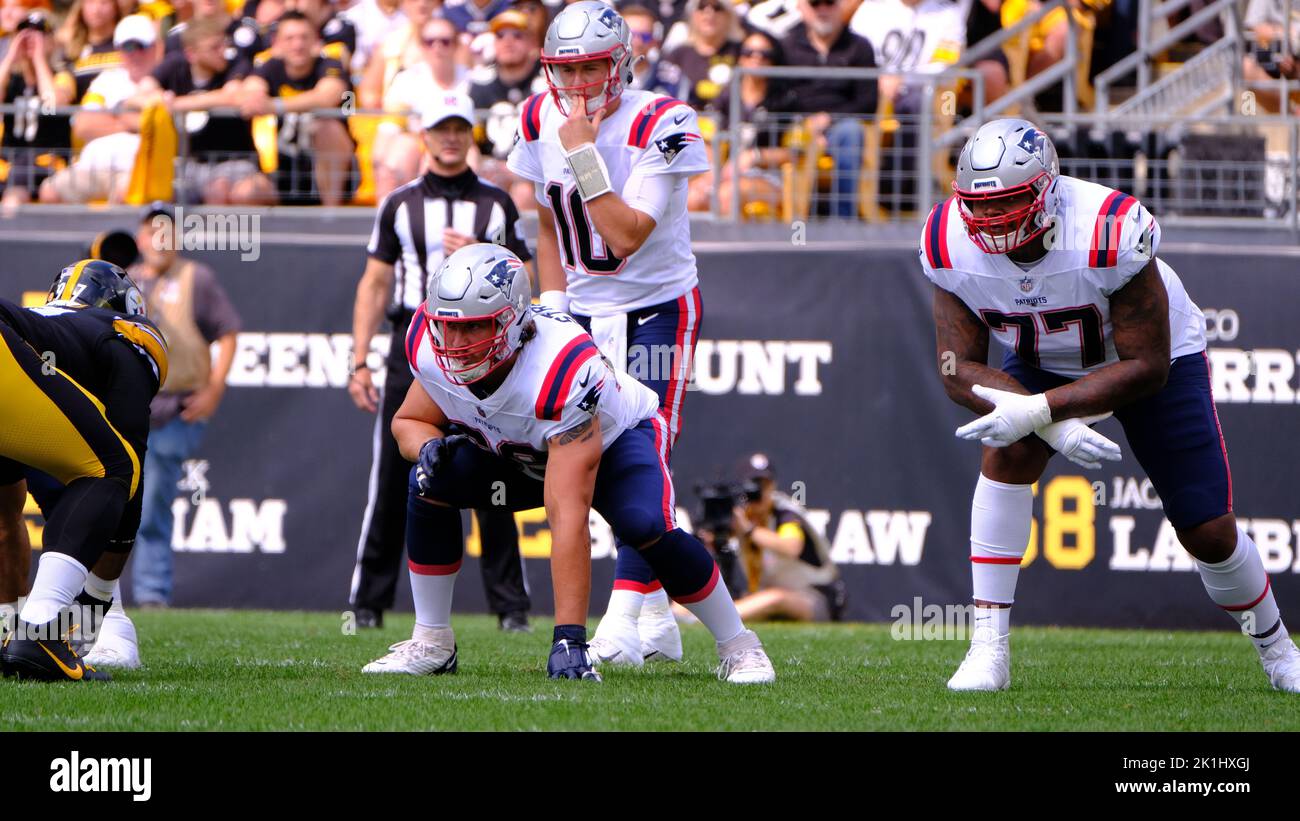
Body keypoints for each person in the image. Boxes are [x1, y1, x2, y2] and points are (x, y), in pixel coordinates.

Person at [921, 118, 1300, 693]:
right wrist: (1049, 424)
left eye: (1009, 204)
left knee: (1207, 528)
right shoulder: (947, 238)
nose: (993, 222)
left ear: (1048, 188)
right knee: (1005, 457)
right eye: (981, 206)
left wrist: (1043, 410)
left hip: (1143, 355)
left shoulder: (1108, 226)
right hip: (1045, 355)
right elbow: (955, 368)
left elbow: (1147, 365)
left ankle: (1277, 649)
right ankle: (987, 651)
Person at [361, 243, 775, 683]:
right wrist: (427, 446)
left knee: (645, 524)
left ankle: (740, 646)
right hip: (518, 452)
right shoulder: (431, 343)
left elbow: (568, 515)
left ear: (512, 319)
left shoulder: (561, 369)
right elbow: (409, 421)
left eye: (475, 329)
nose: (457, 344)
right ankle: (432, 641)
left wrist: (569, 640)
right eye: (449, 328)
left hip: (614, 440)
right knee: (429, 480)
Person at [507, 1, 711, 669]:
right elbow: (544, 220)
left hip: (656, 306)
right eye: (567, 68)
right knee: (585, 465)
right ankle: (656, 616)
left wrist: (585, 153)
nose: (581, 82)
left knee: (642, 460)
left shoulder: (665, 119)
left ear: (623, 61)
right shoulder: (538, 115)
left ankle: (625, 617)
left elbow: (623, 235)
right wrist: (554, 304)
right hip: (584, 311)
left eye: (594, 65)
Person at [350, 91, 535, 632]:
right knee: (392, 472)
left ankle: (511, 607)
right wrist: (358, 359)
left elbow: (525, 273)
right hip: (413, 343)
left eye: (459, 127)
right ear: (424, 134)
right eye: (441, 128)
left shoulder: (495, 203)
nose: (450, 137)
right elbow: (375, 281)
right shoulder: (398, 204)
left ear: (469, 133)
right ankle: (368, 602)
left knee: (494, 466)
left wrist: (480, 253)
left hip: (483, 348)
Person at [0, 260, 167, 681]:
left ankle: (15, 628)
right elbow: (125, 469)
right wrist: (95, 604)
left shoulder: (40, 329)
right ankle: (39, 630)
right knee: (114, 467)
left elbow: (6, 518)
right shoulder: (127, 333)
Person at [127, 203, 241, 609]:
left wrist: (214, 389)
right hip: (126, 409)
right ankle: (95, 592)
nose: (160, 240)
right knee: (112, 499)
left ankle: (151, 592)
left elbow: (227, 332)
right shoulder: (125, 279)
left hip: (174, 408)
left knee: (154, 500)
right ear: (140, 239)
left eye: (167, 231)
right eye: (152, 231)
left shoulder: (196, 278)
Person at [775, 0, 877, 218]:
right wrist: (806, 125)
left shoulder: (859, 46)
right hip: (796, 124)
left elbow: (869, 102)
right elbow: (777, 97)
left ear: (840, 7)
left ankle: (843, 221)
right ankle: (794, 226)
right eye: (815, 3)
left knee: (850, 132)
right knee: (796, 141)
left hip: (842, 124)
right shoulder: (786, 46)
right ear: (802, 7)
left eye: (829, 2)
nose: (822, 9)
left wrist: (830, 118)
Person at [241, 10, 355, 205]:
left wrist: (274, 105)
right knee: (245, 193)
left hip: (334, 174)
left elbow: (328, 96)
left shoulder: (329, 64)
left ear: (316, 40)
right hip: (284, 171)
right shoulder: (271, 67)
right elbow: (250, 92)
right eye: (290, 38)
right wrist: (254, 98)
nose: (297, 44)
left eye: (304, 37)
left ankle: (332, 216)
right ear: (277, 42)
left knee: (327, 127)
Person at [724, 453, 844, 622]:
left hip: (816, 596)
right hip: (765, 594)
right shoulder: (738, 515)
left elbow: (792, 547)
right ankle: (682, 617)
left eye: (765, 485)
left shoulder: (785, 512)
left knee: (775, 598)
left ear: (773, 486)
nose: (760, 492)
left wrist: (748, 529)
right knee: (723, 599)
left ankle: (717, 621)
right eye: (753, 486)